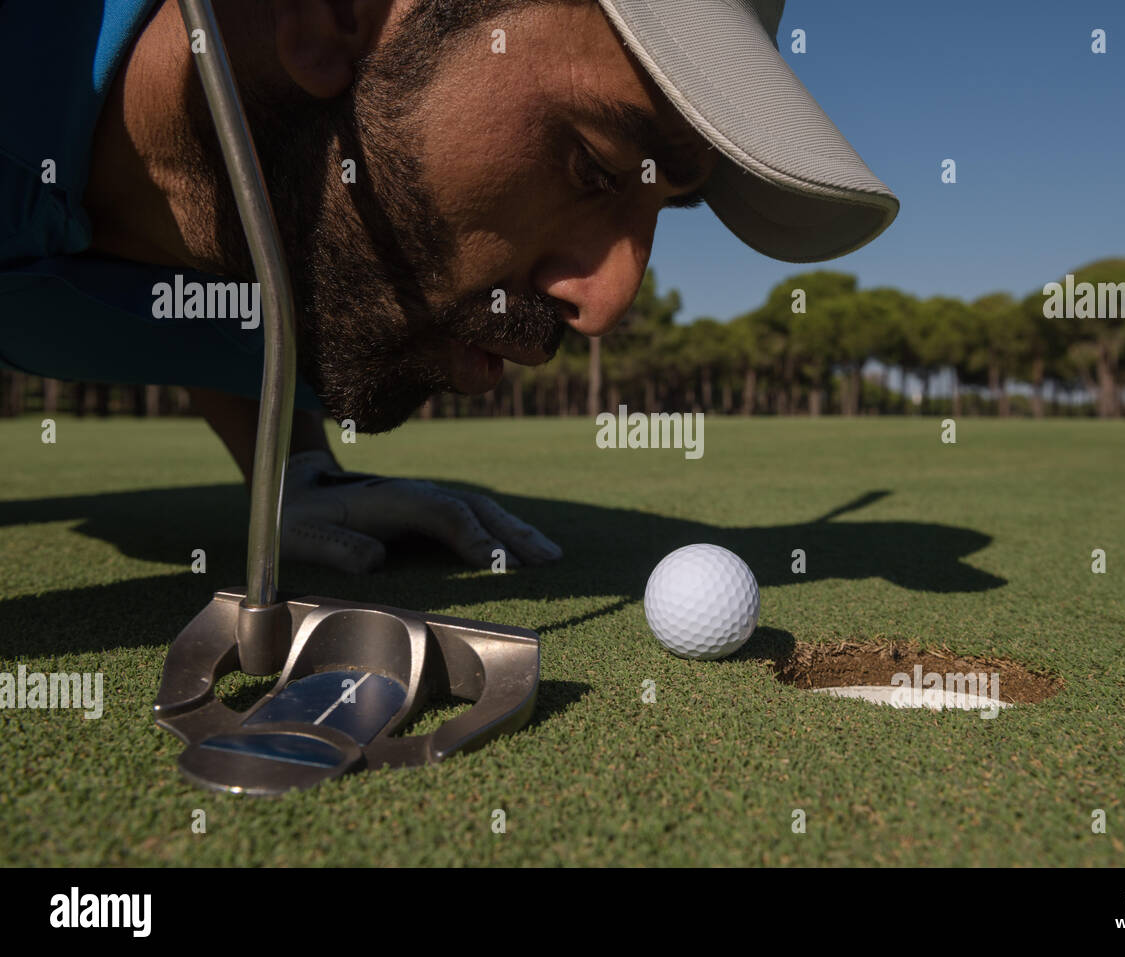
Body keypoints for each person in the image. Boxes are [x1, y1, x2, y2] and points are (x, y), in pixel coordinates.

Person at [0, 0, 898, 572]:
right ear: (329, 15)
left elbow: (219, 310)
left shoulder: (303, 235)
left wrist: (291, 470)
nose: (610, 303)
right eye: (593, 166)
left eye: (670, 204)